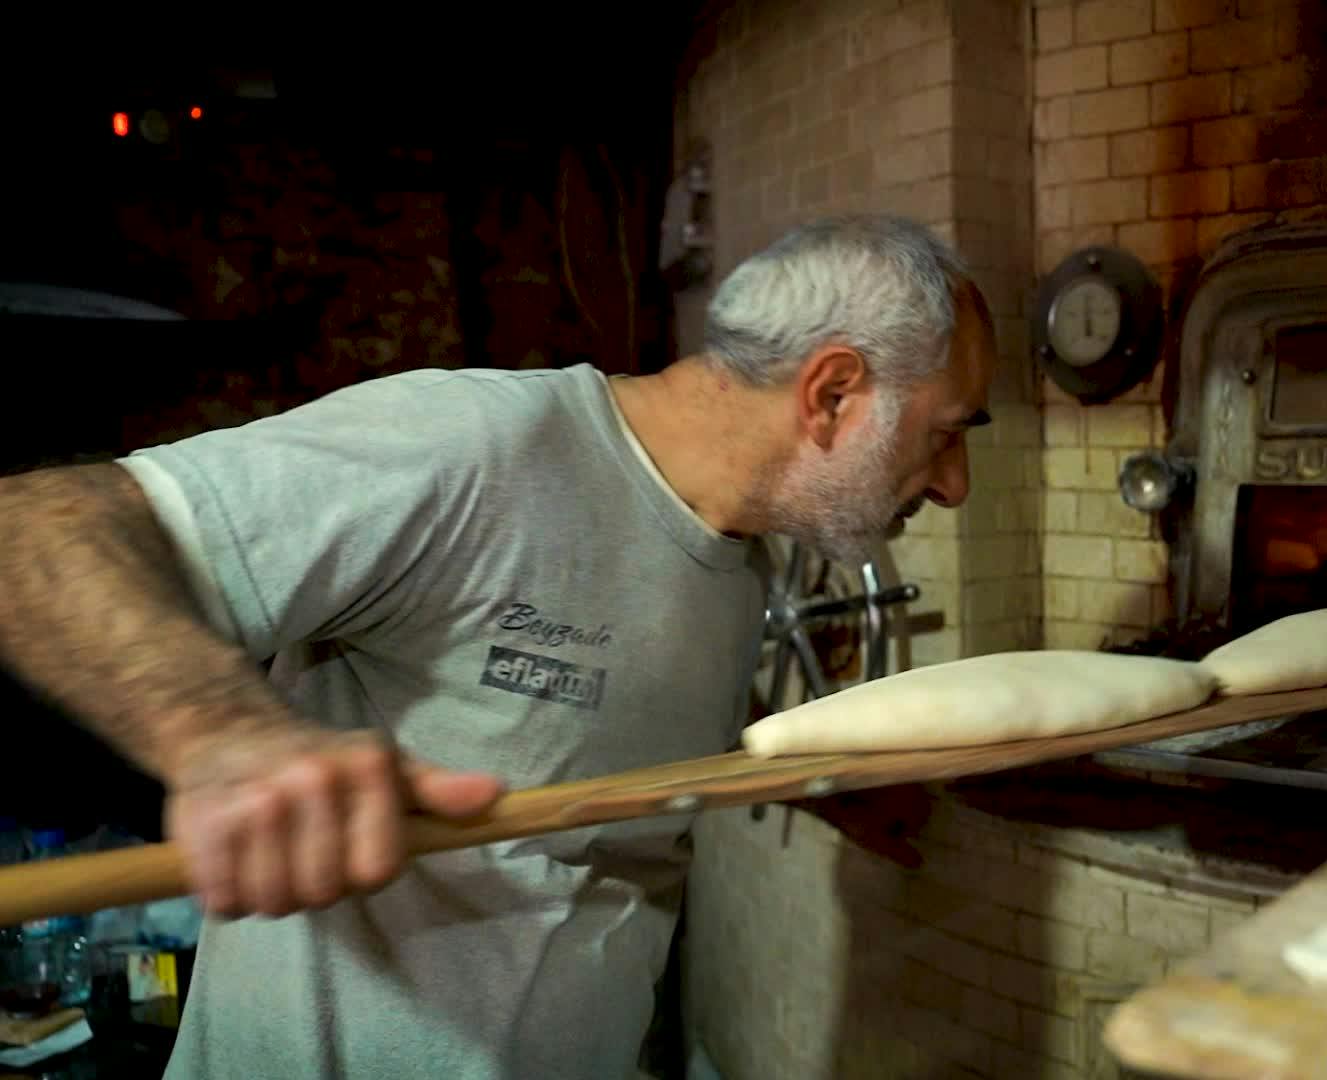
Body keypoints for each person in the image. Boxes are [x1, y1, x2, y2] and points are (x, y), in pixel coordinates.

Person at [0, 213, 998, 1079]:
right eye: (947, 432)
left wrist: (816, 779)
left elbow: (590, 695)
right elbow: (33, 531)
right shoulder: (472, 451)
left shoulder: (739, 565)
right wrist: (218, 733)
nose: (953, 483)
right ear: (831, 393)